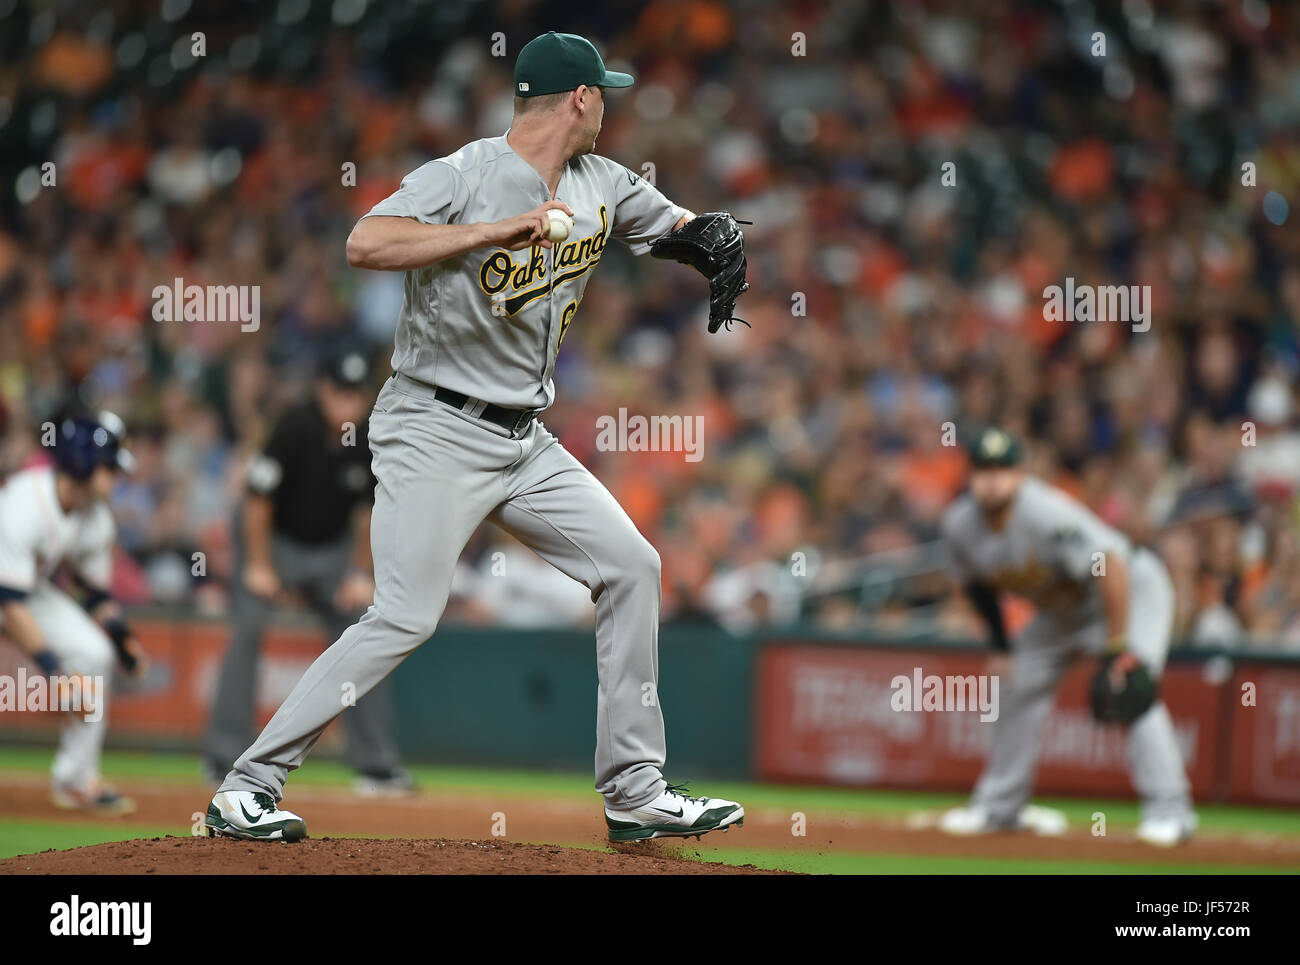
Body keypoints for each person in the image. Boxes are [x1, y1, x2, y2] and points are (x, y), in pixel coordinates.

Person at [205, 31, 744, 842]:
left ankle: (634, 788)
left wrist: (715, 242)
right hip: (432, 423)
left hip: (524, 440)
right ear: (579, 98)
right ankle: (247, 784)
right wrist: (491, 232)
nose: (609, 106)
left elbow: (682, 228)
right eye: (605, 93)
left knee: (633, 566)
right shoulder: (463, 174)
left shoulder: (605, 181)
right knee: (405, 614)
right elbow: (366, 241)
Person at [937, 427, 1197, 846]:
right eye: (983, 469)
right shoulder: (960, 525)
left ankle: (1172, 813)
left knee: (1132, 687)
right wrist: (1003, 646)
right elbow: (977, 586)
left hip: (1129, 590)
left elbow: (1109, 564)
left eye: (1003, 469)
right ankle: (999, 807)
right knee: (1015, 681)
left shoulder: (1044, 513)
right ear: (970, 476)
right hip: (1061, 613)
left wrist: (1117, 649)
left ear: (1021, 474)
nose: (992, 479)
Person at [203, 350, 409, 794]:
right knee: (247, 631)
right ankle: (224, 754)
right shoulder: (294, 426)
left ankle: (375, 764)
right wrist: (259, 567)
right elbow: (257, 499)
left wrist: (359, 571)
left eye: (354, 394)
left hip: (332, 552)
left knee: (367, 634)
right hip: (275, 543)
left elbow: (367, 510)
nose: (346, 403)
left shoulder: (370, 434)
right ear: (322, 389)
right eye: (338, 392)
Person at [0, 414, 147, 814]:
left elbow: (95, 595)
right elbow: (8, 606)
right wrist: (55, 673)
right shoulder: (22, 502)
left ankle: (76, 779)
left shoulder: (96, 516)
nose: (117, 476)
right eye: (110, 467)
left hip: (22, 590)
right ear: (83, 462)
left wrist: (123, 641)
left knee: (95, 653)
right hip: (10, 595)